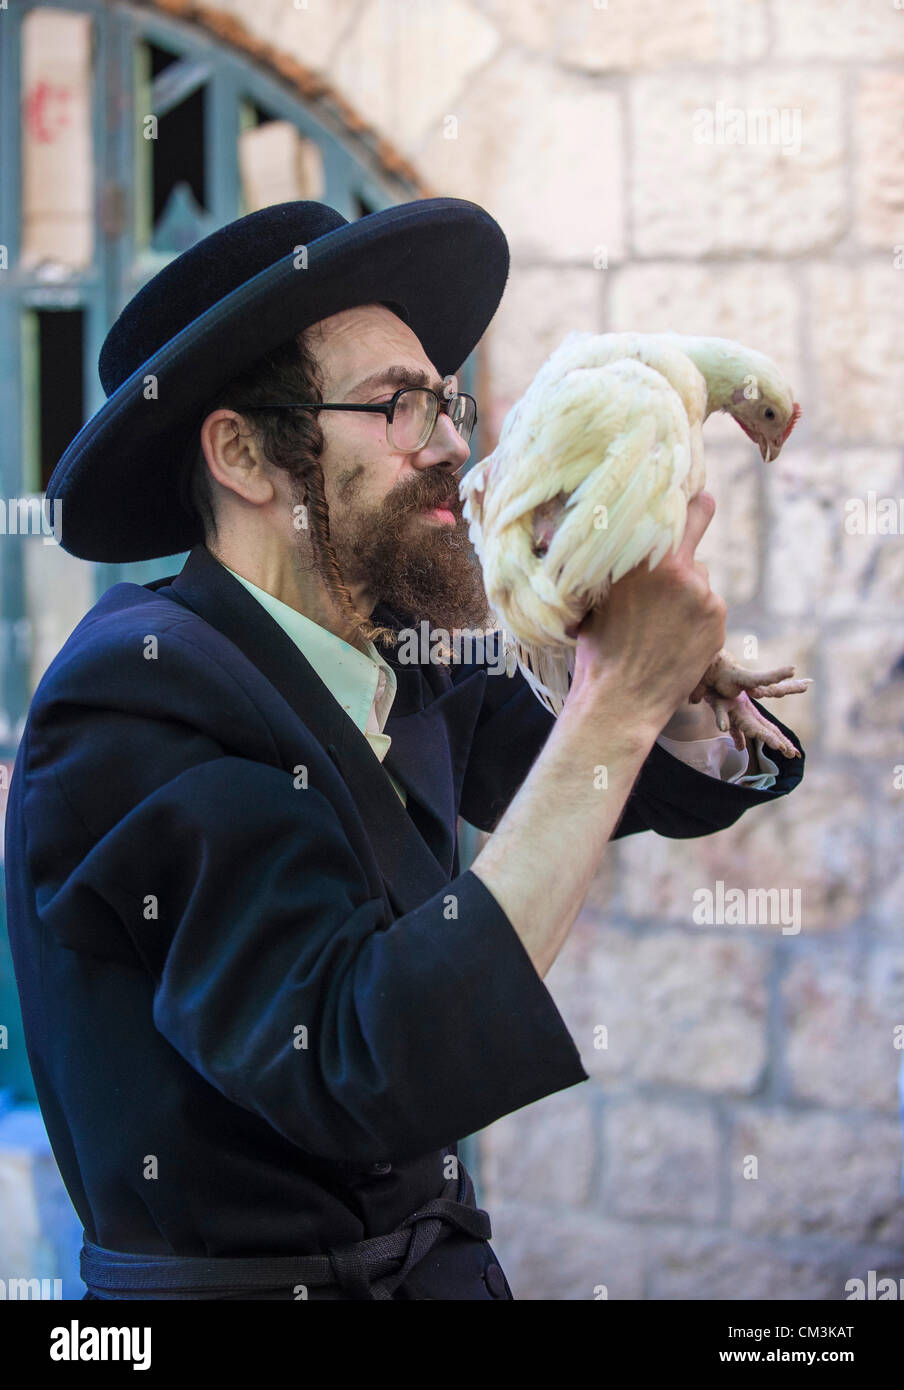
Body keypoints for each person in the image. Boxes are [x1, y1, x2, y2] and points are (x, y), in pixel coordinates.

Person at [3, 198, 805, 1301]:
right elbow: (360, 1059)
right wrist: (616, 698)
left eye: (444, 399)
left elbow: (608, 771)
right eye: (397, 406)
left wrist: (659, 673)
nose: (455, 444)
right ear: (242, 452)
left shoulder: (394, 653)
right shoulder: (134, 699)